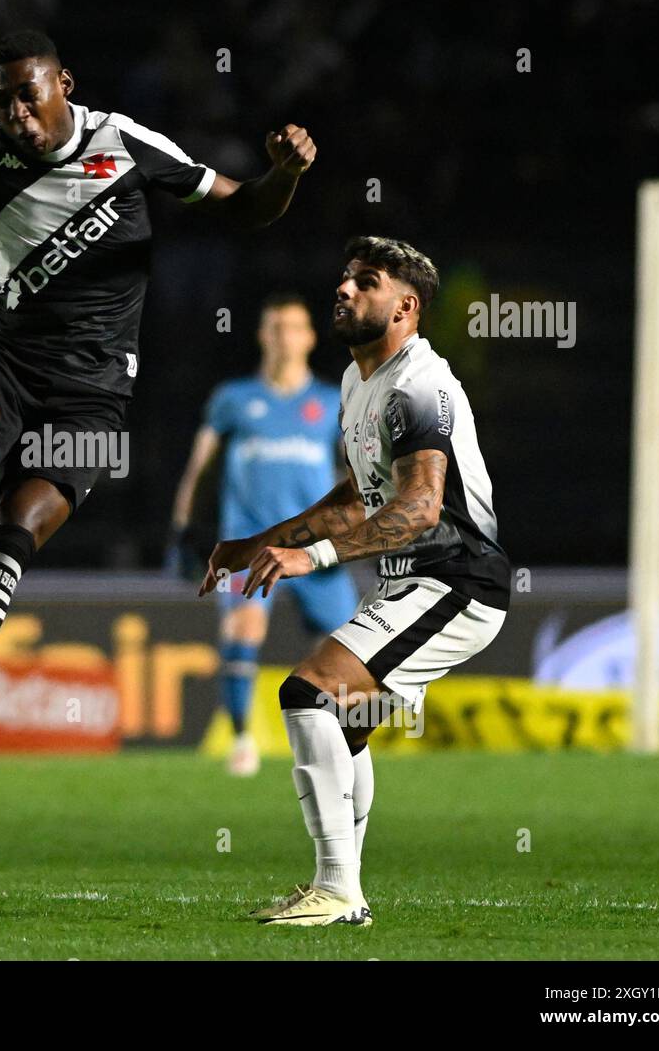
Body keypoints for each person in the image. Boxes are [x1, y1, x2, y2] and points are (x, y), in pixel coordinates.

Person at [0, 28, 318, 786]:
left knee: (7, 544)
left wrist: (285, 173)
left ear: (62, 83)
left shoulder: (128, 145)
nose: (15, 114)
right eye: (1, 100)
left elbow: (245, 210)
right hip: (7, 364)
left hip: (95, 400)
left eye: (26, 96)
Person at [201, 237, 510, 926]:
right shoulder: (355, 380)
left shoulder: (419, 384)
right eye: (343, 277)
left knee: (307, 692)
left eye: (364, 282)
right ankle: (342, 891)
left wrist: (313, 559)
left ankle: (338, 888)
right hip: (412, 583)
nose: (343, 289)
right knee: (341, 723)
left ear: (406, 306)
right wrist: (260, 542)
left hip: (456, 583)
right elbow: (356, 497)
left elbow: (421, 506)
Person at [168, 295, 356, 775]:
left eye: (294, 327)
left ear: (310, 338)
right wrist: (183, 528)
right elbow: (199, 467)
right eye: (275, 327)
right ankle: (242, 740)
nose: (284, 337)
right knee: (243, 631)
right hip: (249, 544)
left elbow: (358, 471)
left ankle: (335, 740)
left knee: (346, 644)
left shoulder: (330, 402)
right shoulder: (233, 399)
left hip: (314, 545)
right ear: (262, 336)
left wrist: (358, 529)